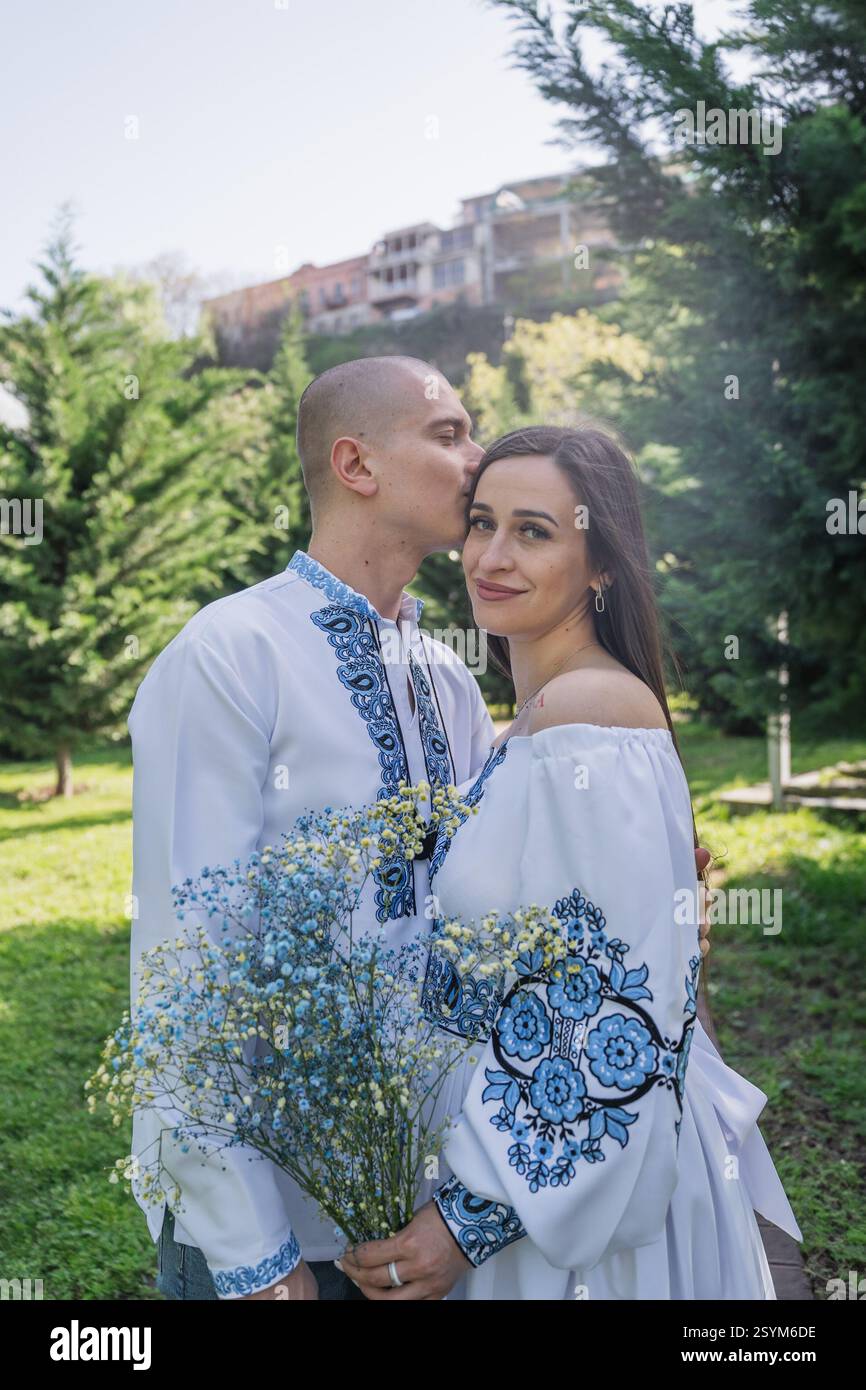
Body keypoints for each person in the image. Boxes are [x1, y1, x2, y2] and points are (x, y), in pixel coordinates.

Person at [128, 361, 711, 1300]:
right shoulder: (231, 657)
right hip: (277, 1224)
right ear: (356, 464)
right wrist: (252, 1257)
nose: (477, 460)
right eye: (450, 435)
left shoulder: (444, 676)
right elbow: (185, 966)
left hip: (414, 1201)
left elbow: (507, 899)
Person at [336, 424, 802, 1300]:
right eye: (482, 523)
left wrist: (468, 1223)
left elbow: (614, 1004)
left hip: (571, 1206)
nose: (493, 556)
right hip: (524, 1165)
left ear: (602, 567)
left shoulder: (589, 709)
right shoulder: (537, 720)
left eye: (535, 531)